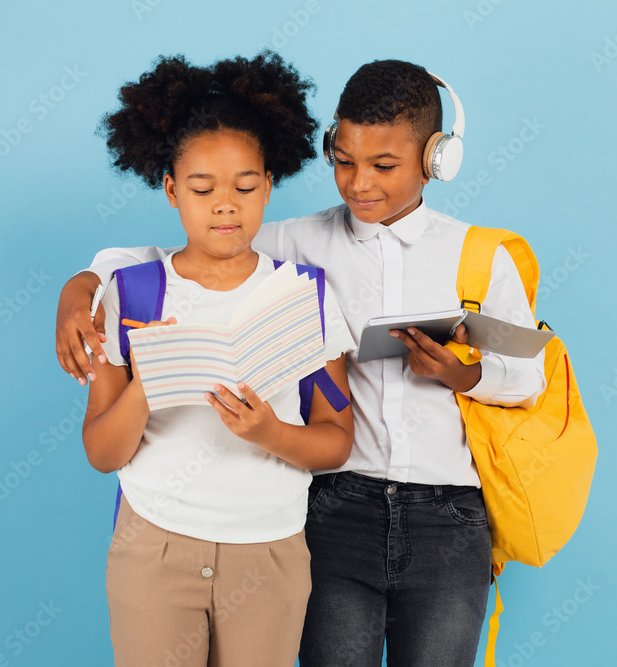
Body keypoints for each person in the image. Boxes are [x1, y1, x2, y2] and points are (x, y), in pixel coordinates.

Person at [59, 59, 544, 666]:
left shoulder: (480, 257)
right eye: (343, 160)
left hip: (448, 512)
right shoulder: (297, 242)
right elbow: (188, 251)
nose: (359, 183)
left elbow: (528, 375)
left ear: (436, 158)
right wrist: (81, 286)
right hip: (335, 504)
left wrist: (463, 374)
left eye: (384, 166)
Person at [79, 52, 355, 666]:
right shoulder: (132, 295)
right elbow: (101, 452)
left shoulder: (305, 297)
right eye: (203, 189)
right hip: (153, 549)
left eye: (245, 186)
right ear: (174, 190)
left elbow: (336, 438)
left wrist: (270, 431)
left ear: (270, 184)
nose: (225, 204)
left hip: (271, 553)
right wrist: (145, 387)